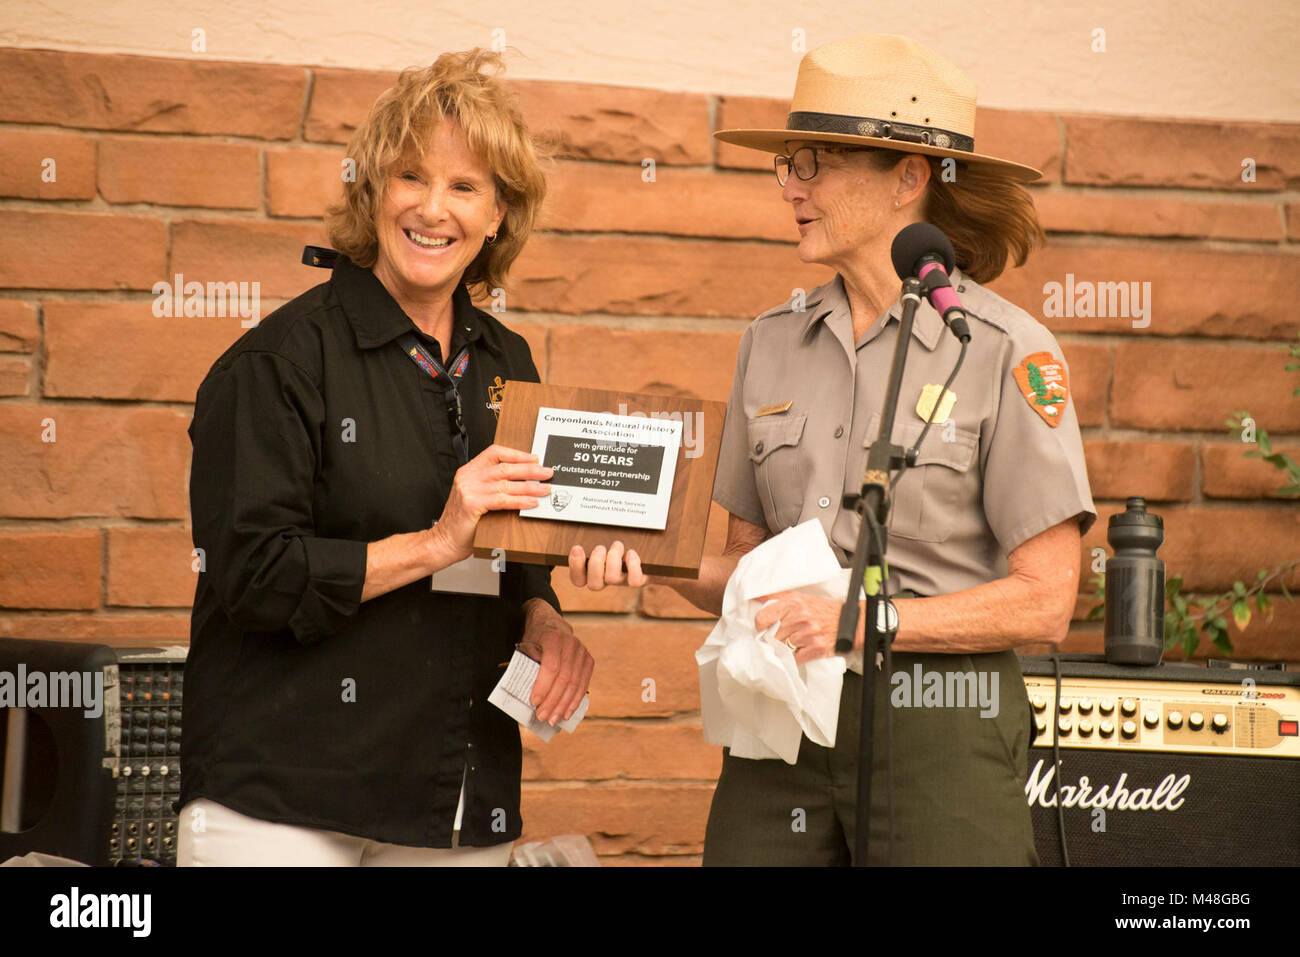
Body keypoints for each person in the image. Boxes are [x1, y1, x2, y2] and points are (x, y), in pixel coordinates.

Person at [569, 34, 1095, 865]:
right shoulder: (771, 342)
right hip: (784, 709)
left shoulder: (1005, 349)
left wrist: (860, 621)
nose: (791, 187)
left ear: (909, 177)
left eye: (814, 164)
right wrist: (643, 552)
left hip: (941, 718)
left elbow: (1046, 601)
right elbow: (746, 573)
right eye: (789, 165)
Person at [178, 49, 593, 866]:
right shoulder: (278, 362)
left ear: (498, 214)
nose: (433, 208)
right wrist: (437, 541)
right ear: (371, 191)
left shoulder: (507, 361)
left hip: (451, 803)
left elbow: (512, 550)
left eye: (465, 186)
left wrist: (543, 615)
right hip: (282, 805)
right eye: (410, 176)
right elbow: (254, 576)